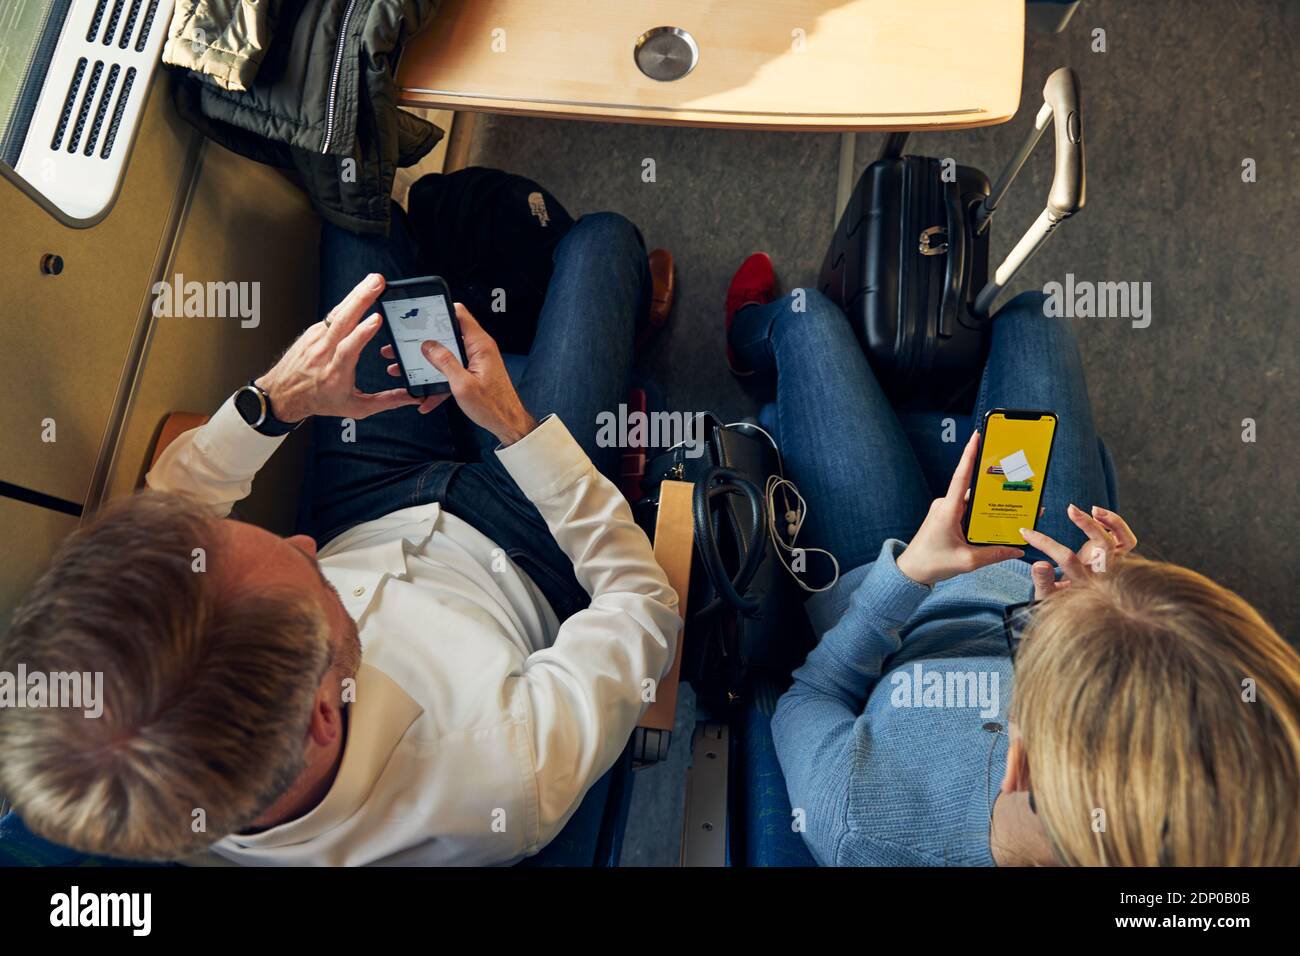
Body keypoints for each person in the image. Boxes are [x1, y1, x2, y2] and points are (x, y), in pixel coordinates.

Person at [0, 210, 680, 866]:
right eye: (313, 581)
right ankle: (614, 319)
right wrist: (516, 428)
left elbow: (171, 511)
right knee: (603, 242)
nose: (301, 543)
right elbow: (644, 603)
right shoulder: (508, 775)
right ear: (324, 716)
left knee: (357, 216)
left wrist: (278, 401)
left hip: (365, 503)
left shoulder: (172, 772)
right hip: (532, 547)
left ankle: (492, 303)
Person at [721, 253, 1300, 866]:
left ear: (1017, 764)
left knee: (812, 321)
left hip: (881, 588)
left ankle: (750, 335)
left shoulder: (860, 819)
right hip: (1034, 573)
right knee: (1035, 313)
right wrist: (1088, 605)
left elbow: (811, 693)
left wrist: (909, 575)